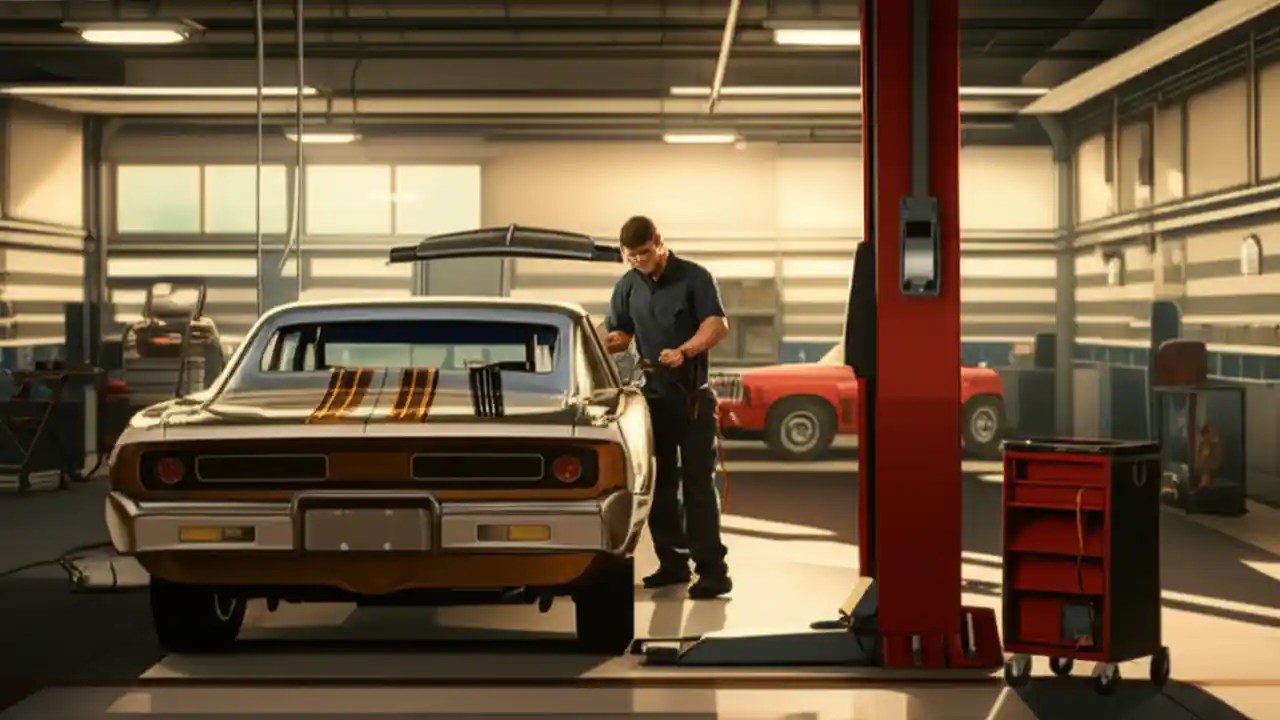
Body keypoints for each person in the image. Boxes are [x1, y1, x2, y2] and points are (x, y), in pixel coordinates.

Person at [602, 215, 732, 599]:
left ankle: (713, 572)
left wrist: (685, 351)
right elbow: (621, 333)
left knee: (697, 485)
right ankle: (673, 564)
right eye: (630, 255)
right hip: (652, 398)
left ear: (659, 243)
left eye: (644, 253)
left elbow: (716, 325)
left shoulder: (694, 277)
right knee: (659, 484)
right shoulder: (628, 285)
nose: (638, 260)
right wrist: (596, 340)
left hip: (691, 398)